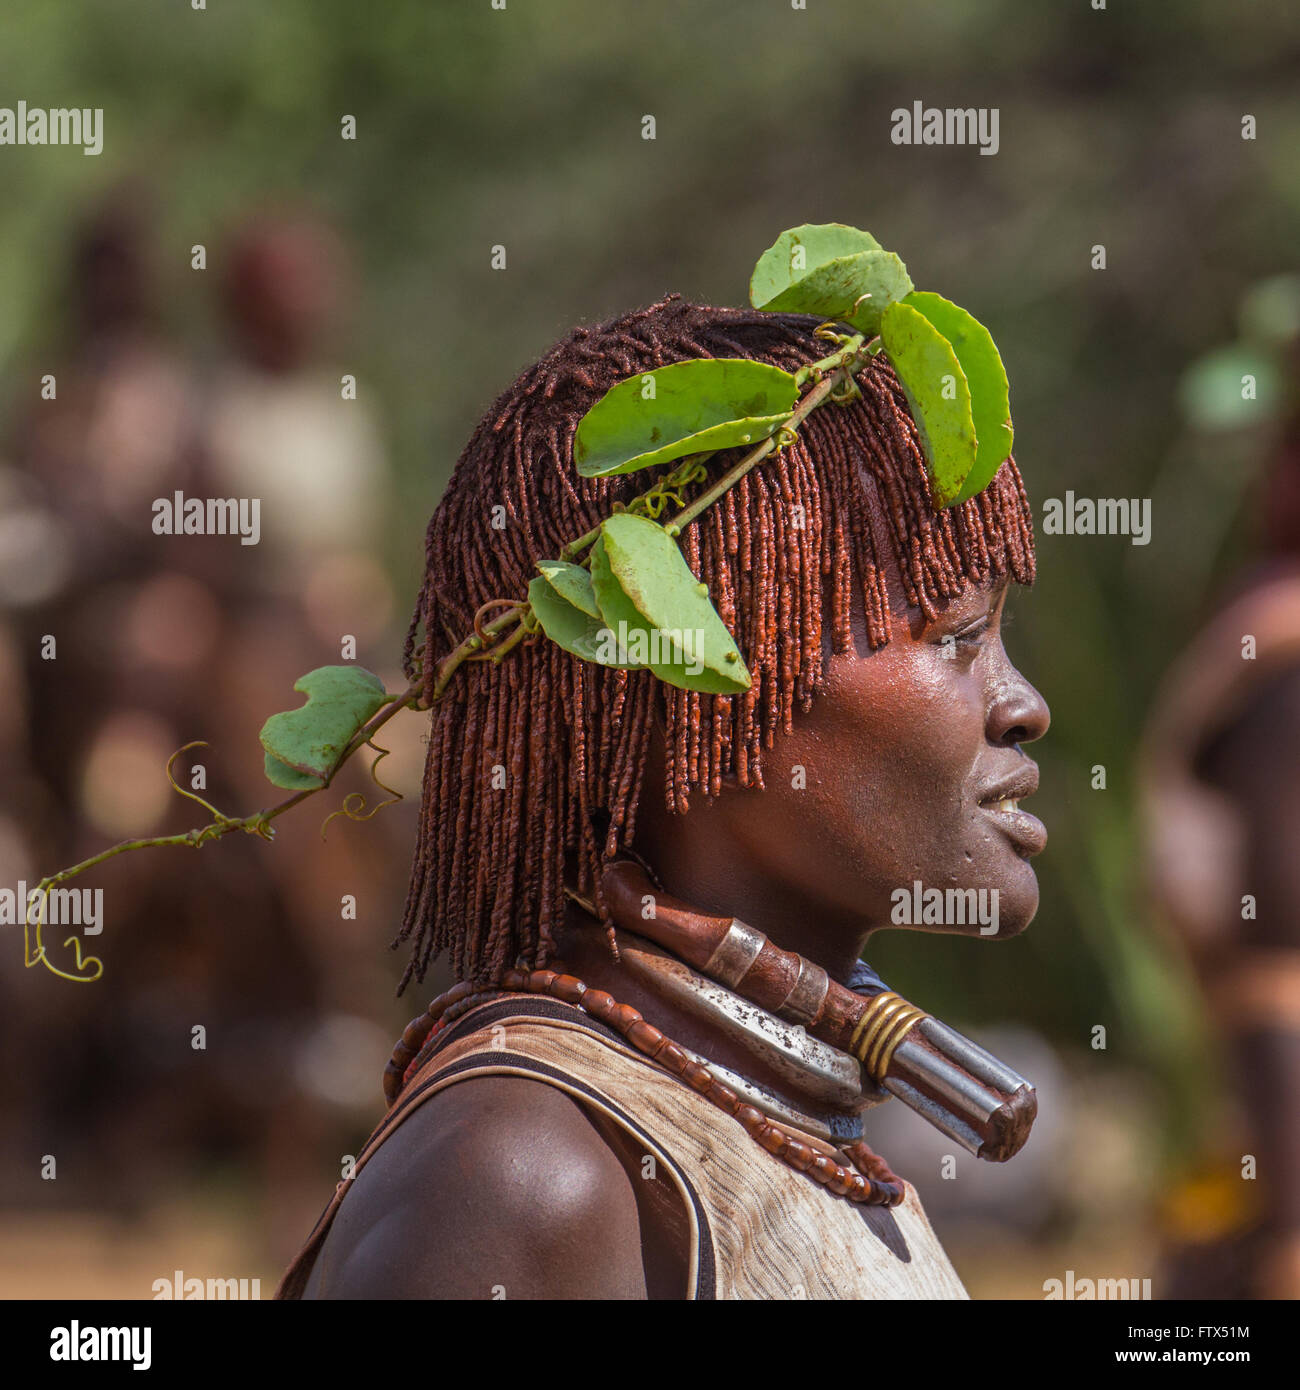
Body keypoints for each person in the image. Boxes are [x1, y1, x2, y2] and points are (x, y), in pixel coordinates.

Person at [276, 292, 1050, 1300]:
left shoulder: (783, 1124)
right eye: (951, 635)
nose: (1021, 706)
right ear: (687, 681)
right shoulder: (525, 1177)